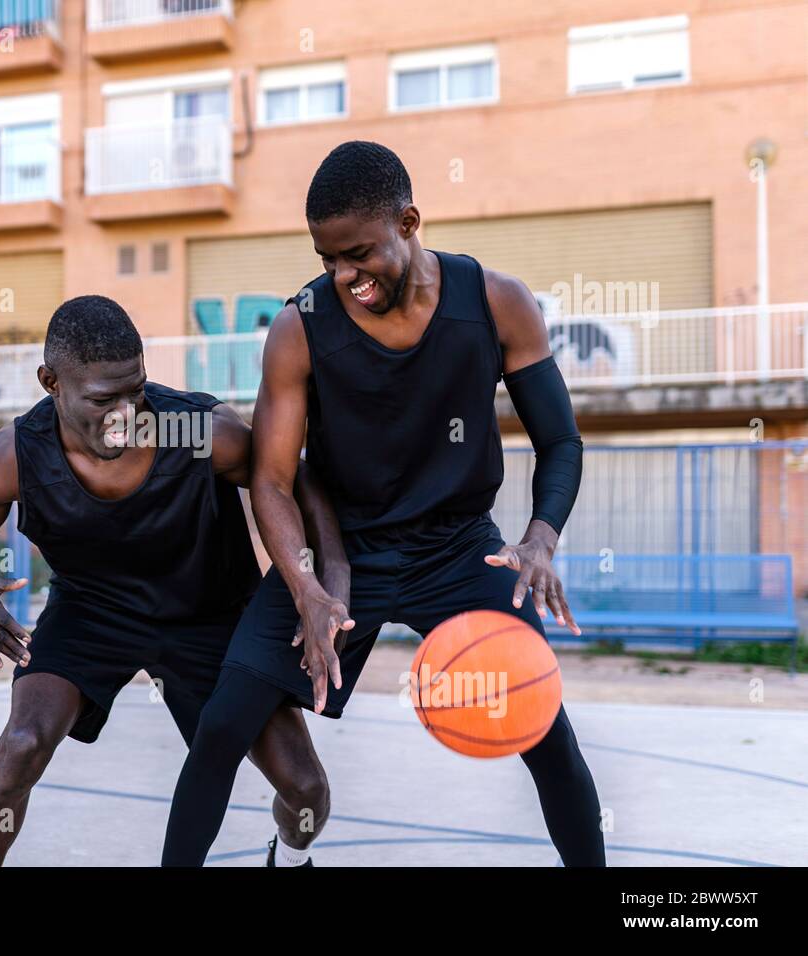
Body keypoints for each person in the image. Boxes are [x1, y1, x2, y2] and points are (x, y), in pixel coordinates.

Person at [161, 141, 606, 867]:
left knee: (547, 731)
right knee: (222, 725)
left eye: (358, 254)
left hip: (462, 551)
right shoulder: (300, 326)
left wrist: (540, 539)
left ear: (408, 221)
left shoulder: (496, 302)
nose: (344, 276)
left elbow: (561, 442)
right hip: (347, 554)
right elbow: (272, 481)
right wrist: (304, 585)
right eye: (327, 258)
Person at [0, 294, 347, 866]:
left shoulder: (194, 431)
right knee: (19, 751)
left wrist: (329, 580)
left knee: (306, 791)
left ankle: (291, 859)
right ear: (50, 382)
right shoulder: (17, 457)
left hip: (212, 615)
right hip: (92, 613)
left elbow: (290, 479)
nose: (125, 412)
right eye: (103, 399)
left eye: (136, 390)